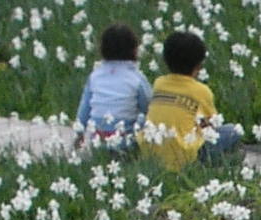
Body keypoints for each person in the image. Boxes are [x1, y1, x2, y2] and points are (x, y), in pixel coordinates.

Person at [143, 29, 243, 171]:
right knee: (233, 131)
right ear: (199, 65)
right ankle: (214, 164)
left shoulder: (158, 84)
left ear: (165, 61)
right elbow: (210, 127)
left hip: (152, 151)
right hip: (188, 156)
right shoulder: (201, 91)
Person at [74, 23, 151, 147]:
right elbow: (148, 106)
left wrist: (79, 134)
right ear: (134, 50)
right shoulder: (136, 78)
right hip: (125, 139)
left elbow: (84, 110)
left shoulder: (95, 76)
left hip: (99, 139)